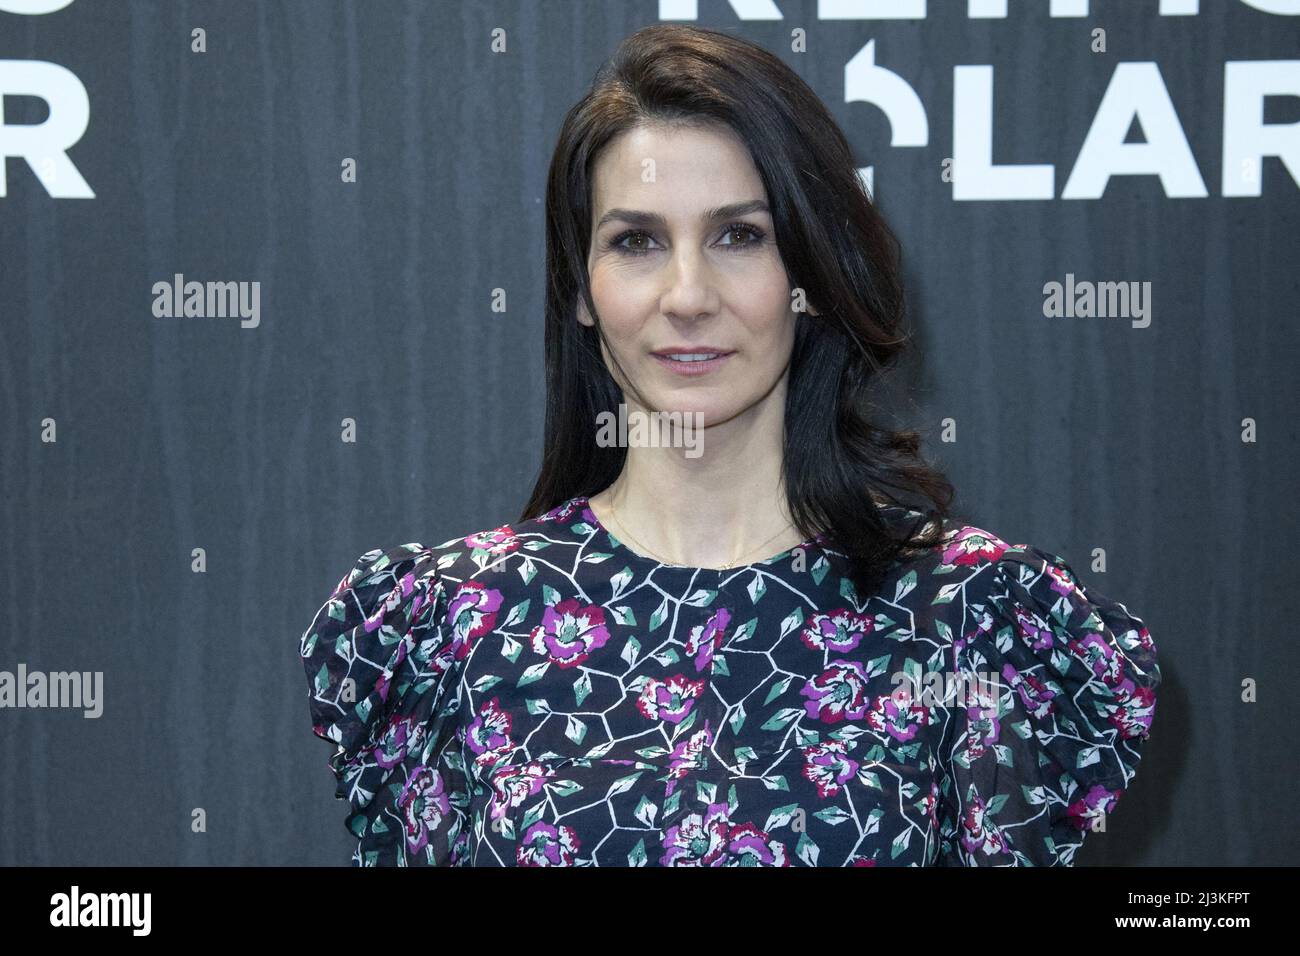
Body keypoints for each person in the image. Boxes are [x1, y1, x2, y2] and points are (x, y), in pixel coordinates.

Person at [297, 24, 1160, 867]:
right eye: (636, 241)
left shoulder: (971, 618)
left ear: (812, 272)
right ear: (583, 291)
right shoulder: (449, 624)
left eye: (738, 236)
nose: (688, 295)